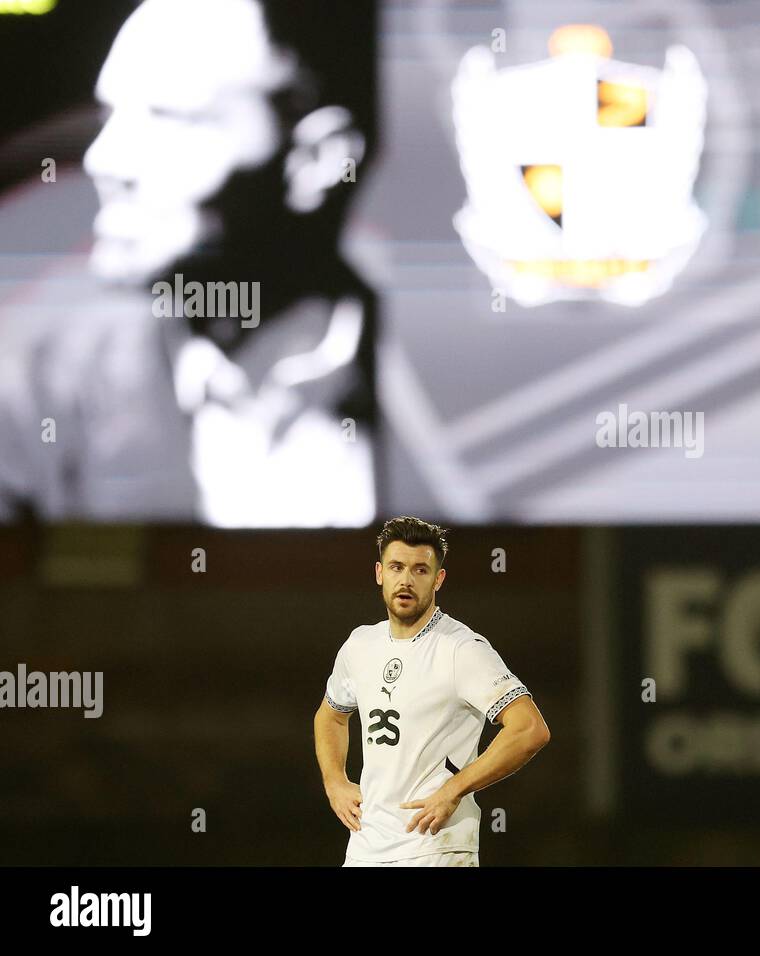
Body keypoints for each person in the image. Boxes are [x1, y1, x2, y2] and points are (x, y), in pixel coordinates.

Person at [0, 0, 381, 526]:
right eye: (111, 116)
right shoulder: (31, 395)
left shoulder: (445, 378)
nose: (102, 160)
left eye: (168, 117)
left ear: (318, 161)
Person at [313, 517, 550, 866]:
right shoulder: (360, 645)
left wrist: (454, 790)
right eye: (397, 567)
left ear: (438, 579)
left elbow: (530, 729)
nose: (406, 580)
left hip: (436, 847)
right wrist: (335, 781)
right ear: (380, 573)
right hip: (366, 848)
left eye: (420, 570)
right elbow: (331, 716)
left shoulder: (461, 649)